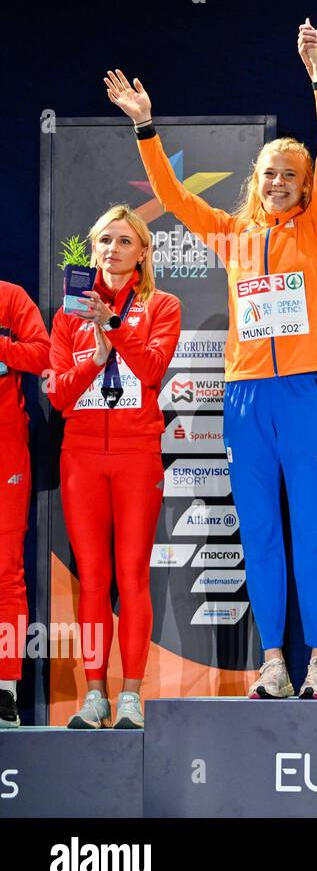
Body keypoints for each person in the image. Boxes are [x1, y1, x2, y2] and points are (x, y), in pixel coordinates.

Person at [104, 19, 317, 699]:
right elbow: (176, 200)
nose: (276, 182)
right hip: (243, 397)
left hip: (301, 393)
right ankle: (274, 659)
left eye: (288, 175)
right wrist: (146, 127)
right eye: (269, 173)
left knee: (313, 533)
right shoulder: (234, 234)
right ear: (257, 180)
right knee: (261, 535)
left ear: (304, 186)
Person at [48, 205, 181, 728]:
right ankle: (94, 694)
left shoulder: (162, 305)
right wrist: (93, 356)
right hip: (81, 452)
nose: (112, 250)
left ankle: (130, 696)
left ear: (143, 252)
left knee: (132, 575)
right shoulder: (67, 314)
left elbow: (150, 370)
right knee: (94, 577)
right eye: (105, 240)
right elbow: (58, 395)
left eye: (125, 241)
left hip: (135, 451)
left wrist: (116, 328)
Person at [0, 280, 51, 727]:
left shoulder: (10, 297)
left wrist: (4, 350)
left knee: (7, 571)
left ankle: (5, 691)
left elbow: (42, 354)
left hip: (6, 449)